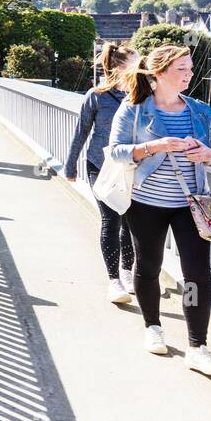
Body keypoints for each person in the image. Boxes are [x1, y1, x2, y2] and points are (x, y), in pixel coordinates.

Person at [108, 44, 211, 377]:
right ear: (159, 74)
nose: (190, 75)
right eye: (182, 69)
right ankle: (153, 326)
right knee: (148, 266)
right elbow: (116, 152)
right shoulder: (134, 110)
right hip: (146, 203)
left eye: (190, 69)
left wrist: (209, 154)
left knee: (197, 275)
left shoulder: (200, 111)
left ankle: (197, 347)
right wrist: (153, 146)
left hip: (191, 205)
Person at [65, 43, 139, 304]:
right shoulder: (96, 95)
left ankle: (127, 272)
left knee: (130, 222)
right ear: (121, 67)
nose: (141, 66)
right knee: (111, 220)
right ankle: (114, 281)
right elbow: (81, 131)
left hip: (132, 167)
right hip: (100, 165)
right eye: (136, 61)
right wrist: (70, 164)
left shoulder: (141, 95)